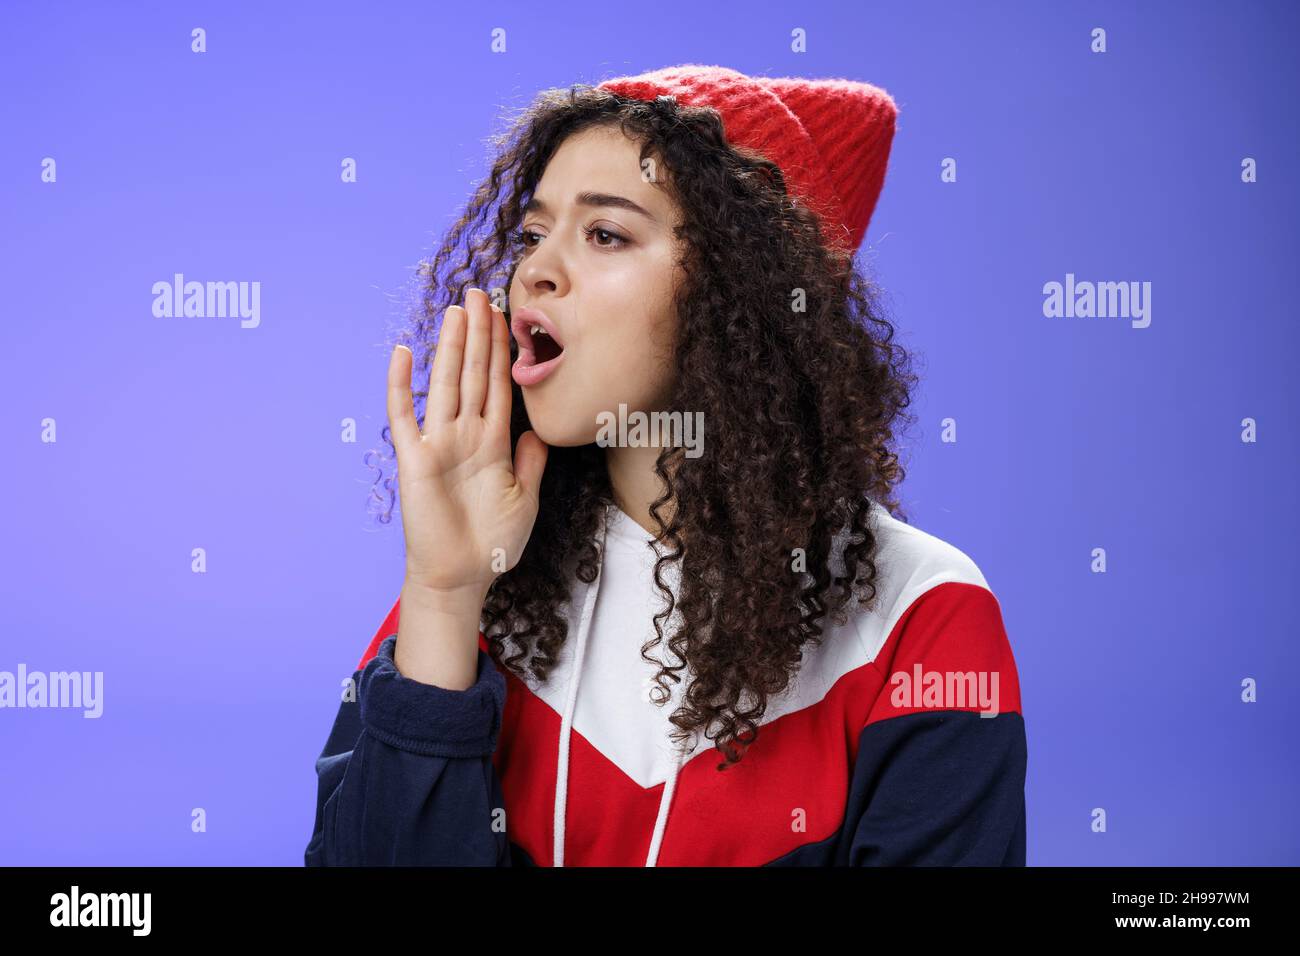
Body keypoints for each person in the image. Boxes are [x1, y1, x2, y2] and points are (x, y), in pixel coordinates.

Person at [304, 64, 1027, 867]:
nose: (535, 271)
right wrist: (442, 597)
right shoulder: (483, 583)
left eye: (605, 234)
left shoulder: (920, 619)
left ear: (742, 293)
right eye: (533, 234)